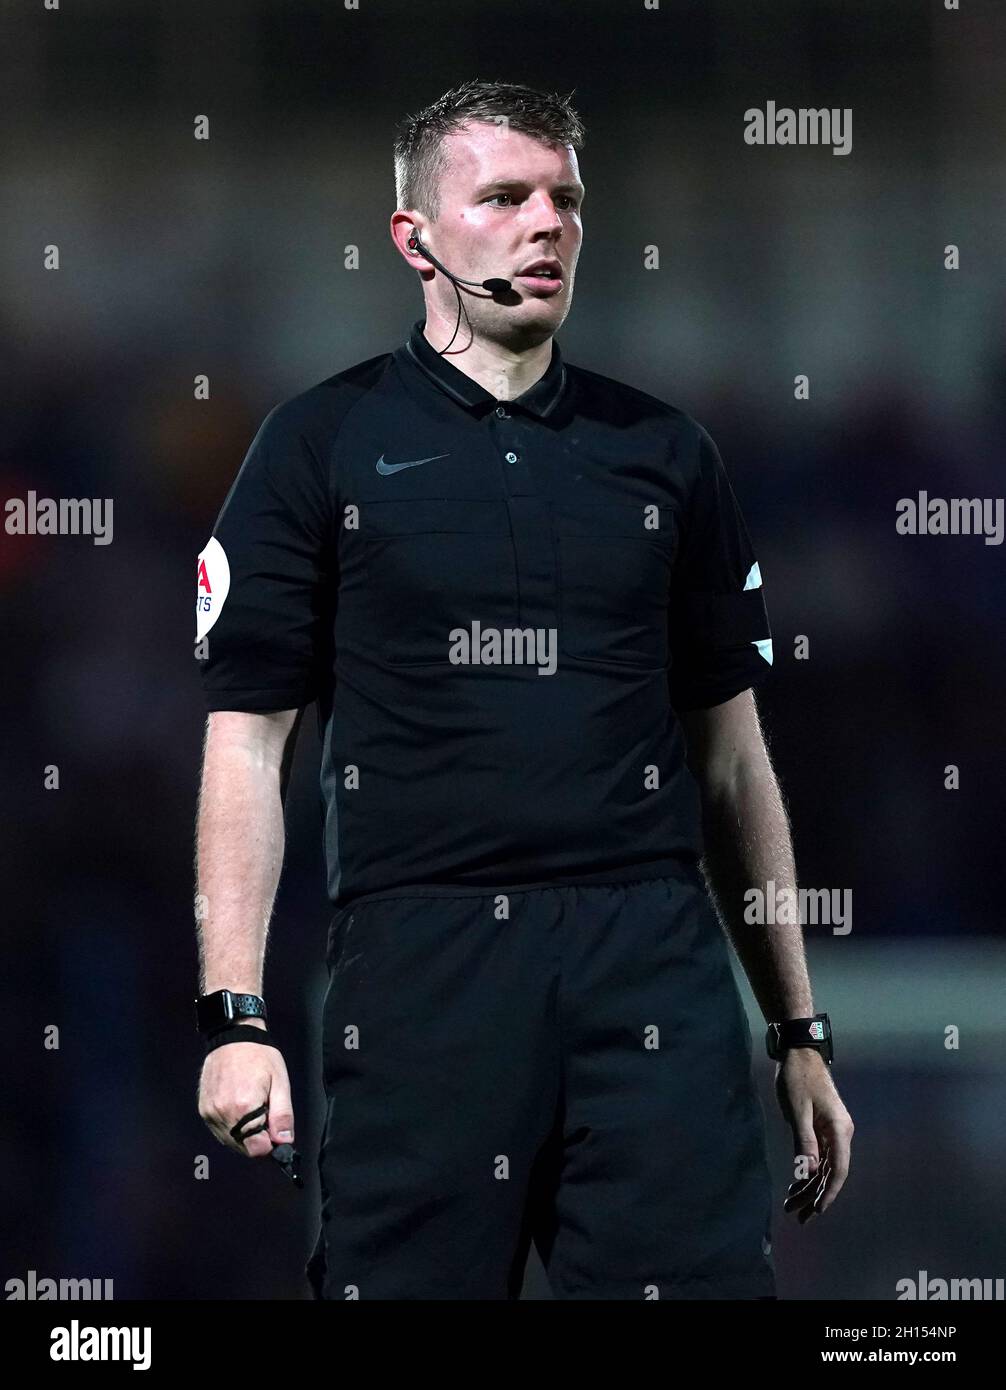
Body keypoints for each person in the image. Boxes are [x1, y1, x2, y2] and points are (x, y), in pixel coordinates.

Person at [193, 78, 853, 1300]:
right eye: (504, 197)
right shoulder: (315, 445)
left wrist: (797, 1028)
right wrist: (235, 1015)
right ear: (416, 239)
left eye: (565, 198)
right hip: (421, 970)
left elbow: (732, 760)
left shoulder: (666, 452)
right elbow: (246, 747)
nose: (546, 222)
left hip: (649, 958)